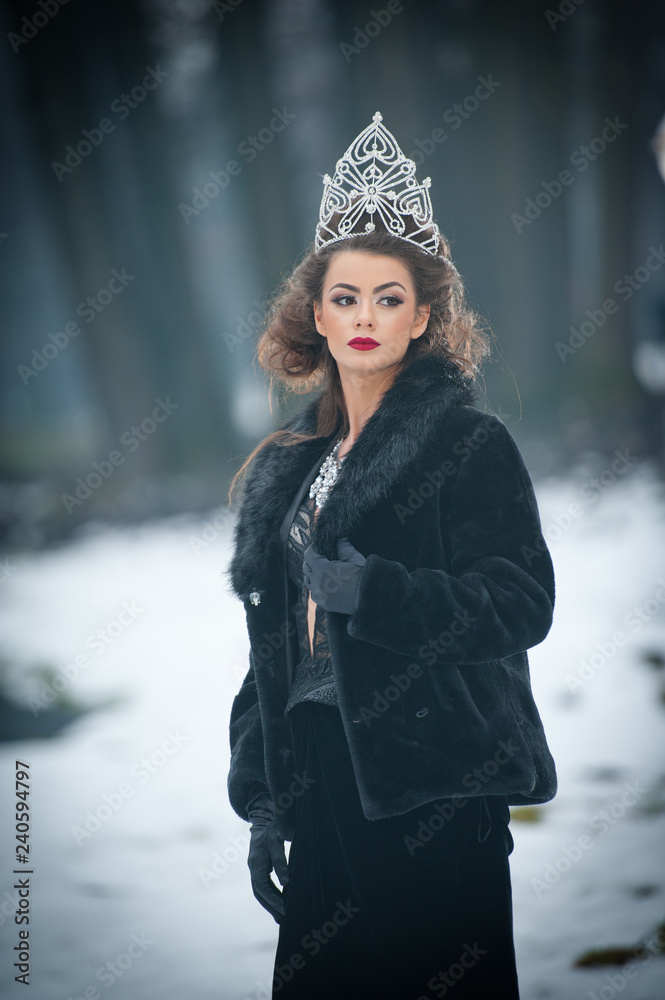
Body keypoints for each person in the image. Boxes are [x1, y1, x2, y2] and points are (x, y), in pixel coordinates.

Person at [226, 112, 557, 999]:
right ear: (317, 316)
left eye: (387, 298)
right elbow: (273, 654)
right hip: (319, 794)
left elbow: (520, 603)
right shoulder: (288, 468)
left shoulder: (468, 443)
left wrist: (378, 592)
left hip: (434, 792)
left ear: (421, 318)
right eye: (344, 297)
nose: (364, 316)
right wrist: (263, 801)